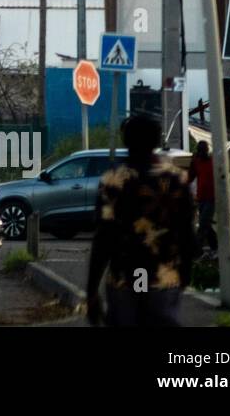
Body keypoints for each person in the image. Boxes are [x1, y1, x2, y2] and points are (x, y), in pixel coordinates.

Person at [86, 115, 195, 327]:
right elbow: (187, 230)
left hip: (132, 275)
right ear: (156, 141)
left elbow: (104, 237)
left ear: (126, 140)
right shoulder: (177, 178)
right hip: (165, 277)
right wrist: (185, 272)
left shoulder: (116, 180)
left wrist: (92, 292)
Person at [188, 141, 217, 253]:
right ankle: (215, 247)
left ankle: (196, 250)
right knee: (206, 224)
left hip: (212, 197)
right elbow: (191, 176)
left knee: (203, 223)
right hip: (201, 196)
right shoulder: (196, 160)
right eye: (200, 151)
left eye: (203, 151)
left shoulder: (214, 161)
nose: (202, 154)